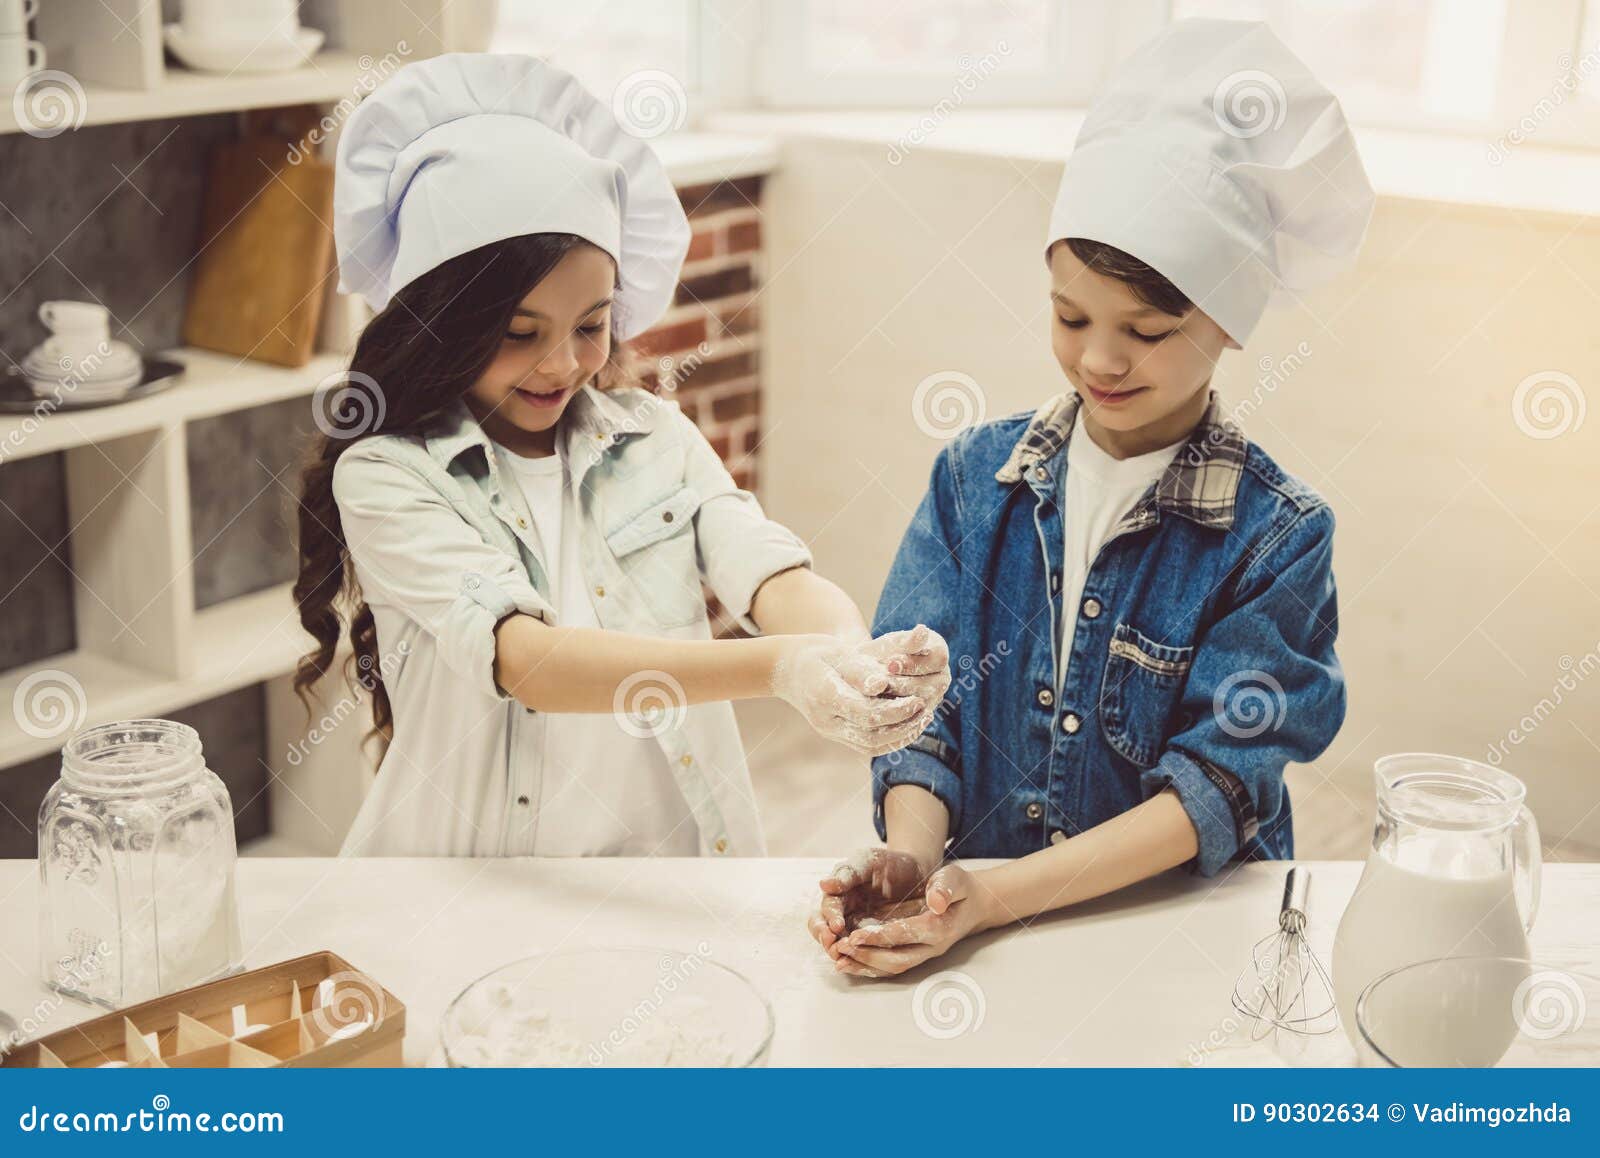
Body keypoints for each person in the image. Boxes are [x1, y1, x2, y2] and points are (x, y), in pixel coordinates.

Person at [810, 20, 1373, 976]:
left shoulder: (1277, 538)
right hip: (980, 934)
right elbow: (923, 714)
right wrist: (914, 857)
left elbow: (1215, 785)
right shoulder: (971, 484)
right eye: (1071, 318)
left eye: (1147, 331)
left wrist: (993, 897)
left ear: (1229, 325)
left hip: (1172, 941)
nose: (1100, 360)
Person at [294, 53, 951, 858]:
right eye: (519, 333)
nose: (564, 363)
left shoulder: (655, 438)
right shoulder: (390, 476)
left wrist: (849, 657)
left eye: (591, 324)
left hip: (666, 873)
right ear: (443, 325)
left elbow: (767, 568)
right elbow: (526, 661)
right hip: (469, 885)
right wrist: (781, 668)